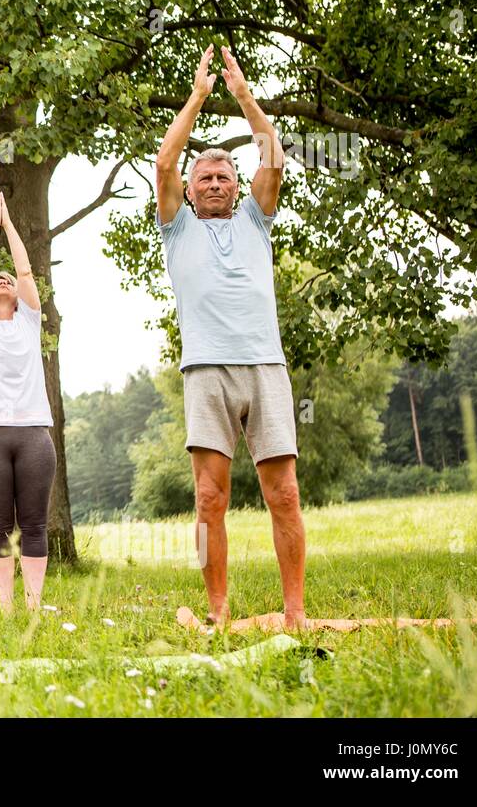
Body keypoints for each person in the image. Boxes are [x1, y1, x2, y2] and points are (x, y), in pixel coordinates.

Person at [155, 43, 306, 630]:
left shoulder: (254, 220)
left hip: (264, 366)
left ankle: (294, 613)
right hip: (205, 371)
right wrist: (197, 95)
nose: (214, 182)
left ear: (237, 186)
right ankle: (217, 612)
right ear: (190, 191)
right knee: (208, 500)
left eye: (223, 176)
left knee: (284, 494)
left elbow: (274, 154)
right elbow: (165, 162)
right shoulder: (177, 229)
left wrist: (242, 94)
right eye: (205, 177)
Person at [0, 192, 56, 613]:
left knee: (35, 524)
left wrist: (10, 225)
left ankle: (34, 606)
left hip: (34, 435)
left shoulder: (30, 321)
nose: (1, 281)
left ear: (20, 297)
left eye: (8, 283)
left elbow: (23, 268)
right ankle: (6, 609)